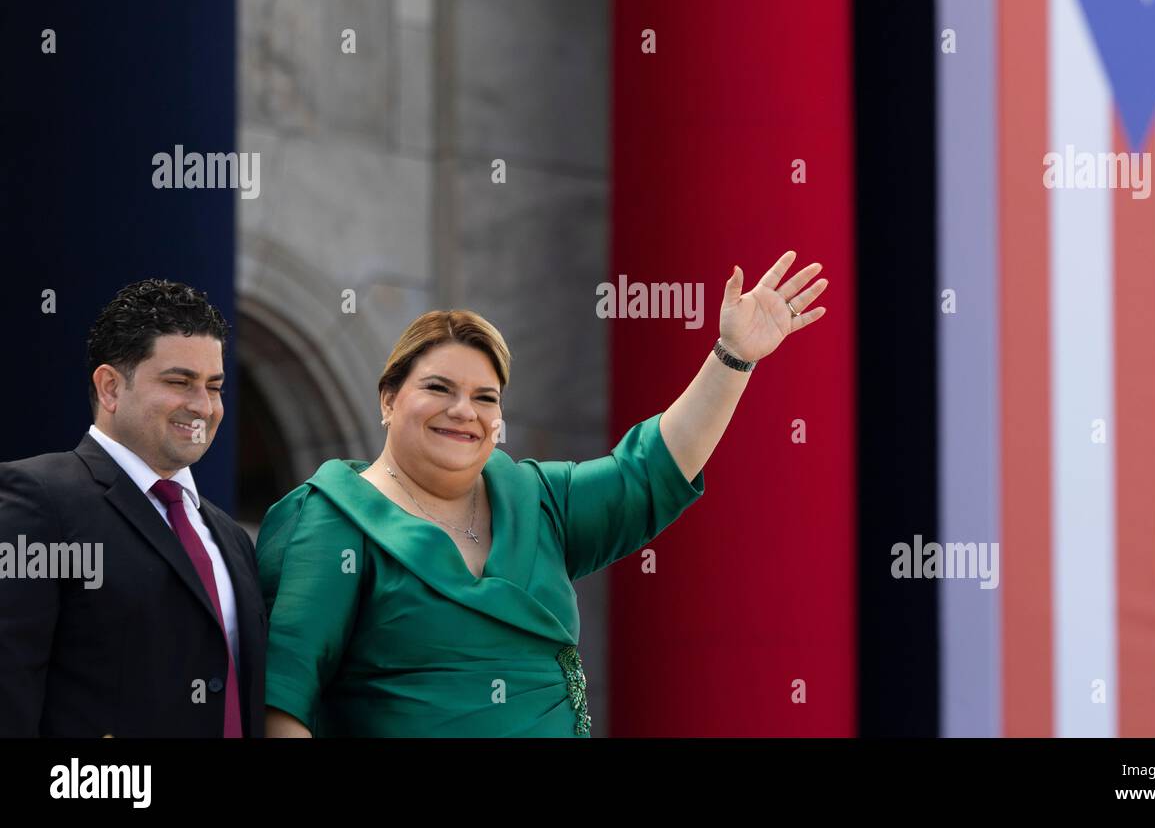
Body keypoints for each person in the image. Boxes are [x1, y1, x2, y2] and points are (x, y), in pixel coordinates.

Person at [259, 250, 828, 737]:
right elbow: (284, 699)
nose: (464, 412)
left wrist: (732, 358)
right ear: (388, 399)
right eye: (438, 388)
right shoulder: (332, 516)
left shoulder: (535, 498)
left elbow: (650, 470)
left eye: (485, 397)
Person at [0, 279, 266, 737]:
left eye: (214, 386)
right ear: (109, 388)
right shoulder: (38, 499)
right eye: (179, 381)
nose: (202, 406)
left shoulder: (232, 537)